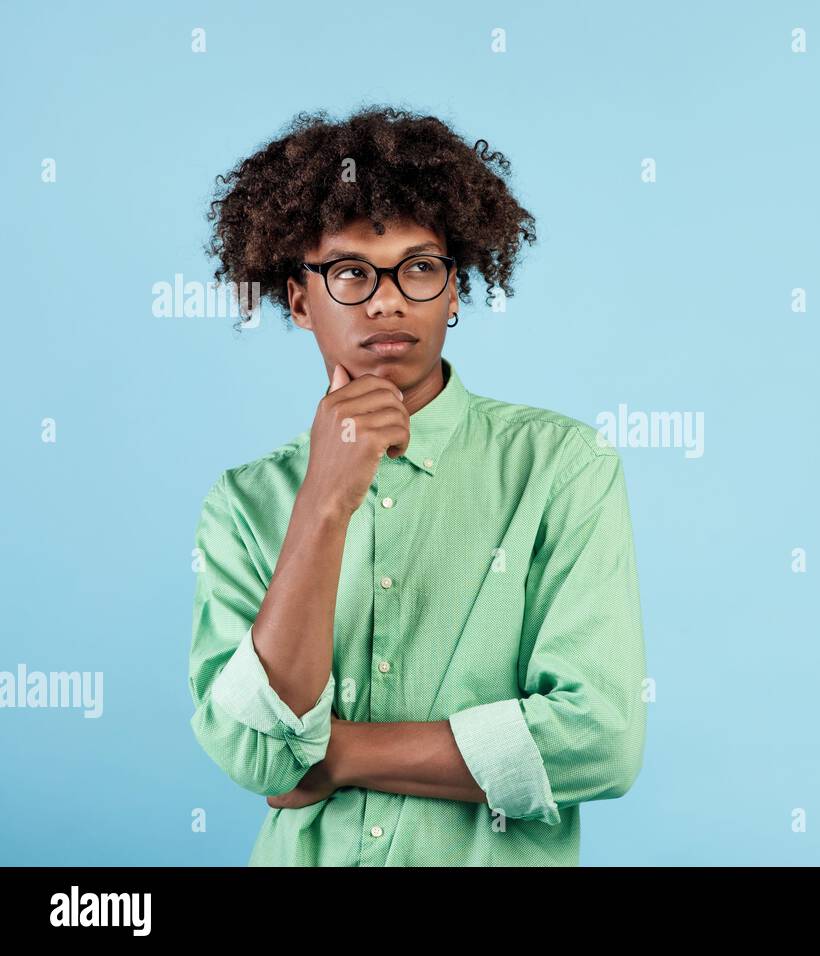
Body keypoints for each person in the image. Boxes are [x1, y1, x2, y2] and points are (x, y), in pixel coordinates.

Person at [188, 107, 646, 866]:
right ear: (299, 299)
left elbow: (598, 743)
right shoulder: (244, 504)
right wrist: (324, 502)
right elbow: (250, 755)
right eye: (351, 272)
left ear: (456, 291)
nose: (388, 299)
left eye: (420, 267)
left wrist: (330, 756)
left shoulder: (564, 467)